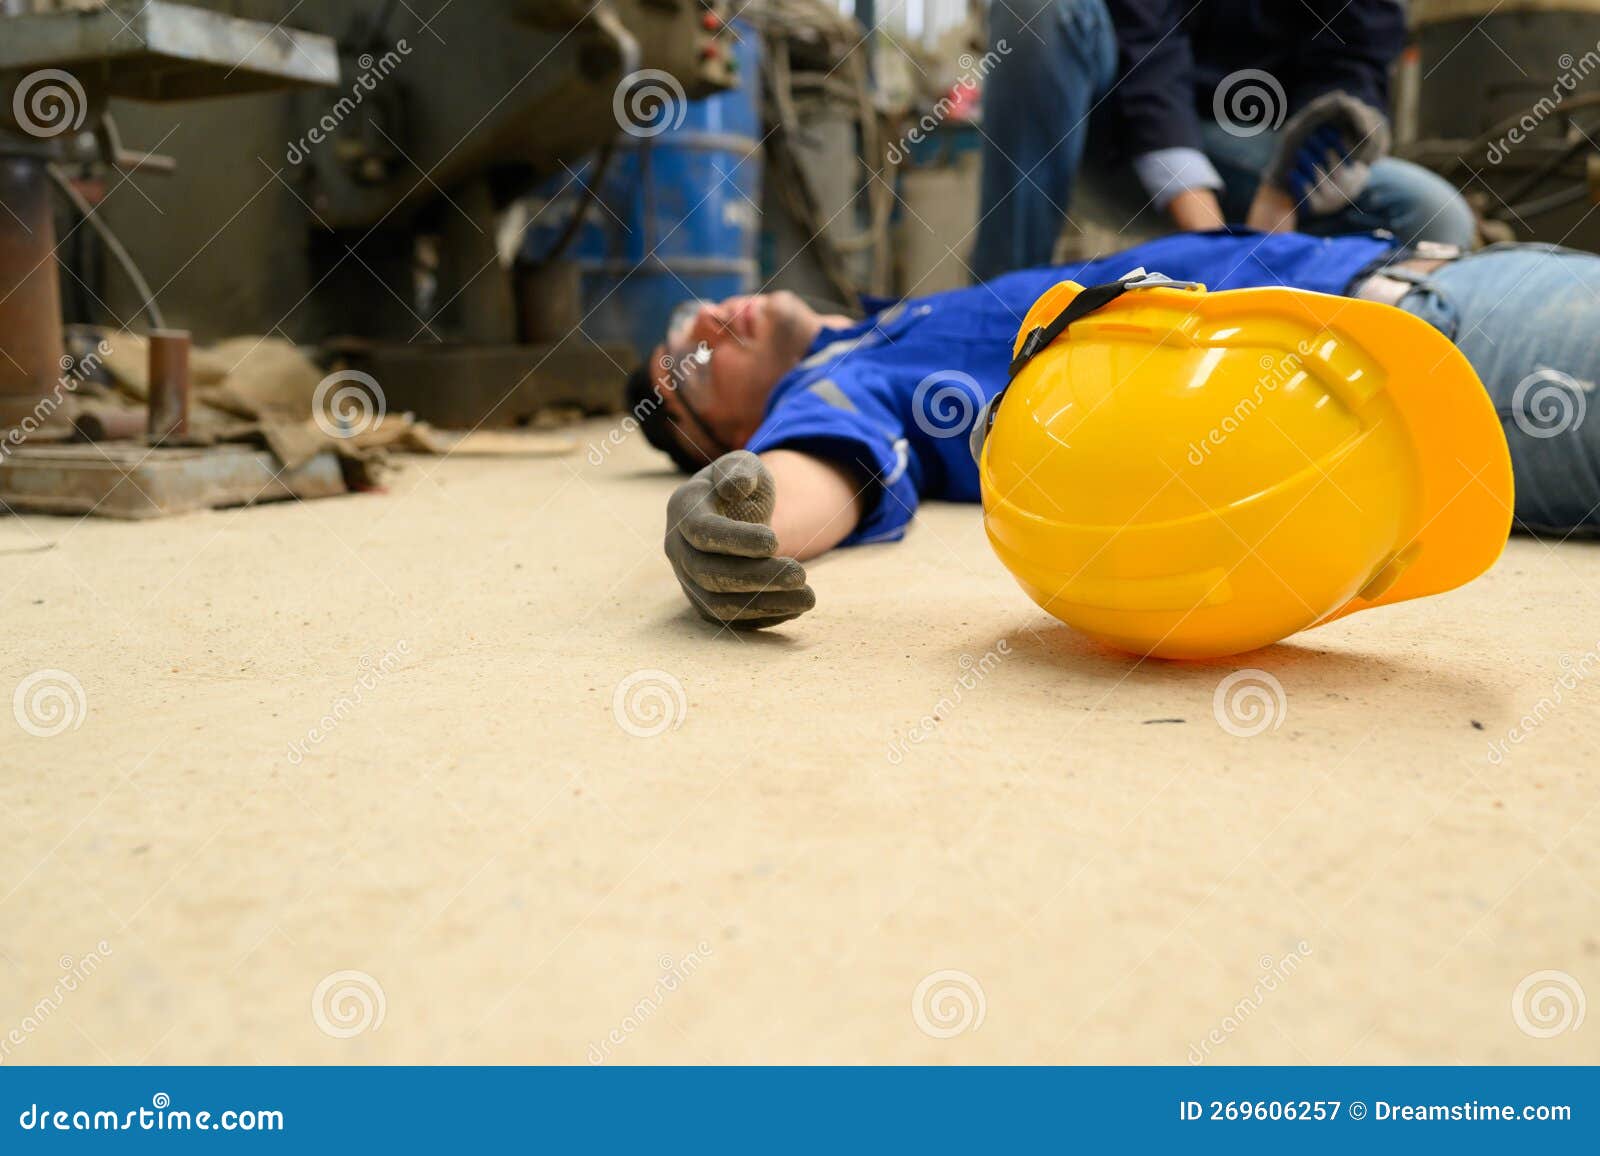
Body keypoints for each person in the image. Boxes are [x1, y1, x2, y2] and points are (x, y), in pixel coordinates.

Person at [630, 229, 1600, 629]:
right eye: (693, 370)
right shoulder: (844, 379)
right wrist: (738, 516)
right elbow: (819, 464)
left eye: (692, 321)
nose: (708, 327)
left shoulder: (895, 318)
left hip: (1441, 272)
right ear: (722, 436)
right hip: (1421, 354)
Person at [971, 0, 1478, 281]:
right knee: (1039, 11)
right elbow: (1147, 45)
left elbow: (1355, 58)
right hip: (1111, 126)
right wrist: (1212, 252)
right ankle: (999, 317)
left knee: (1433, 214)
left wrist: (1293, 177)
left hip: (1258, 158)